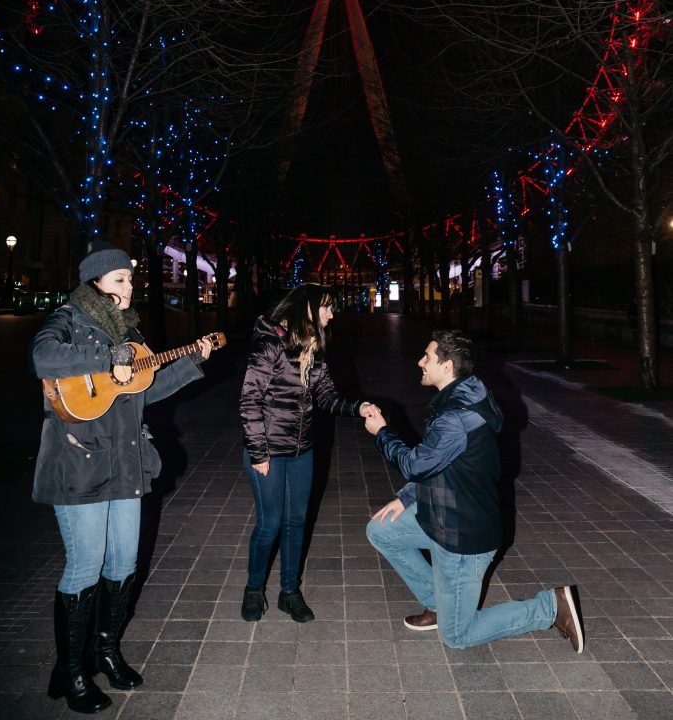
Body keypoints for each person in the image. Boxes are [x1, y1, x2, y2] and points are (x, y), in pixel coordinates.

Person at [31, 241, 215, 714]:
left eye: (131, 278)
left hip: (126, 465)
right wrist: (103, 361)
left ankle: (106, 652)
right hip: (80, 465)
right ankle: (72, 670)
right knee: (85, 565)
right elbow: (44, 359)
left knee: (123, 564)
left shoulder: (129, 332)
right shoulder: (67, 319)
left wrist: (194, 359)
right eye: (120, 280)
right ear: (95, 283)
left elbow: (144, 393)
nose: (130, 286)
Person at [363, 329, 585, 653]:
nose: (420, 361)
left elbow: (416, 464)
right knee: (380, 531)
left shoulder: (456, 416)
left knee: (458, 636)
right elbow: (442, 463)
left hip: (462, 537)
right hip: (441, 511)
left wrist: (382, 432)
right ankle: (438, 603)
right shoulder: (461, 394)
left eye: (428, 356)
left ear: (448, 366)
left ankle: (551, 608)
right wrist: (408, 496)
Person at [240, 283, 373, 623]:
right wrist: (259, 454)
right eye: (327, 306)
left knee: (297, 521)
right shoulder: (270, 343)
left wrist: (359, 408)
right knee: (270, 523)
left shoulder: (315, 350)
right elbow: (249, 401)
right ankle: (254, 589)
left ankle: (289, 592)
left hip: (302, 450)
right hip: (268, 449)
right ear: (308, 309)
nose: (332, 313)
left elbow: (326, 397)